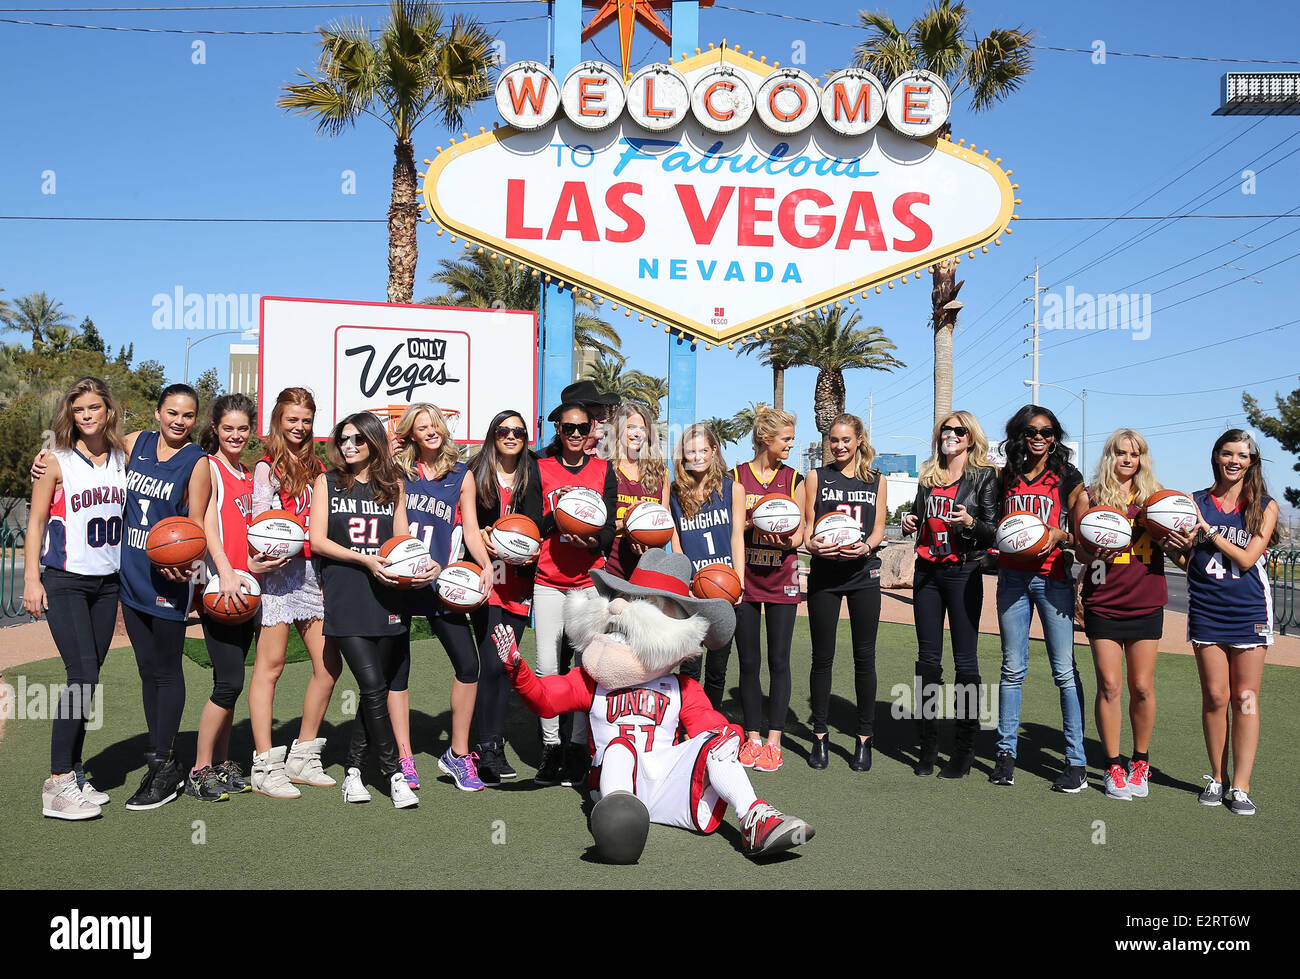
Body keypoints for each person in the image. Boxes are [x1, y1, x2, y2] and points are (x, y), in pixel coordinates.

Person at [309, 413, 435, 809]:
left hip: (387, 598)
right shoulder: (327, 481)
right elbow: (317, 541)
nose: (348, 446)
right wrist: (364, 560)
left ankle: (352, 772)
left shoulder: (392, 484)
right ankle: (395, 772)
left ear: (374, 442)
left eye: (357, 440)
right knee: (372, 686)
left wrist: (424, 564)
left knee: (374, 690)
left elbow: (401, 540)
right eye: (343, 439)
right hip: (347, 597)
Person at [26, 377, 127, 820]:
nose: (87, 416)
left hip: (108, 583)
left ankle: (76, 770)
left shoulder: (125, 455)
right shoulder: (54, 460)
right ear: (72, 415)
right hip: (65, 578)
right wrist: (32, 579)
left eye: (94, 408)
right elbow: (34, 524)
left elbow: (165, 436)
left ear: (108, 411)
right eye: (79, 410)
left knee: (90, 676)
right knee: (81, 672)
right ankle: (57, 781)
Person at [119, 384, 212, 809]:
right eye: (172, 412)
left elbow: (195, 524)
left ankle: (164, 762)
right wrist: (49, 458)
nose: (179, 420)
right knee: (145, 669)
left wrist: (185, 563)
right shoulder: (135, 443)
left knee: (166, 668)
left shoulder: (197, 462)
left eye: (188, 415)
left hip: (169, 578)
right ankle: (161, 756)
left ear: (196, 420)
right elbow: (90, 451)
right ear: (157, 413)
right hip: (131, 573)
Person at [190, 394, 287, 802]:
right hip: (220, 587)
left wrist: (259, 563)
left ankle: (225, 762)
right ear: (215, 428)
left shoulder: (249, 473)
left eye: (242, 428)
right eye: (227, 427)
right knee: (227, 681)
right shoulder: (208, 467)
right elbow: (207, 524)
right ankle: (198, 769)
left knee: (233, 679)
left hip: (247, 588)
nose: (235, 434)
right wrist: (227, 570)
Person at [392, 403, 492, 792]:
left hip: (441, 583)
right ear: (411, 434)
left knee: (469, 665)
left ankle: (458, 753)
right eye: (421, 427)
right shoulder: (400, 471)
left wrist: (483, 563)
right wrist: (411, 561)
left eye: (434, 424)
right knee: (397, 673)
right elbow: (399, 521)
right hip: (403, 580)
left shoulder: (460, 474)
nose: (430, 431)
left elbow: (470, 529)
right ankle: (404, 756)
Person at [248, 388, 341, 798]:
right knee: (272, 666)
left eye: (305, 420)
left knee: (328, 665)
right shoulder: (266, 468)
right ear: (277, 421)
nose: (299, 427)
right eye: (292, 420)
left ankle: (302, 755)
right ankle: (265, 765)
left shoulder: (320, 468)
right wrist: (266, 552)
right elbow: (258, 522)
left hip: (310, 573)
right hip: (277, 575)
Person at [1180, 429, 1278, 816]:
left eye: (1242, 455)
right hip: (1206, 609)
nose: (1234, 461)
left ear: (1251, 462)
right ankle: (1217, 777)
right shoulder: (1194, 501)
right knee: (1216, 697)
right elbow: (1189, 560)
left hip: (1249, 611)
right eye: (1227, 453)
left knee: (1246, 699)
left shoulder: (1263, 505)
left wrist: (1209, 531)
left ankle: (1241, 786)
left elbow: (1248, 558)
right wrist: (1179, 544)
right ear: (1216, 457)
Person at [990, 405, 1087, 791]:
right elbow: (994, 522)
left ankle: (1076, 760)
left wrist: (1057, 535)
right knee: (1012, 669)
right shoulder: (1006, 475)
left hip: (1053, 580)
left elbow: (1080, 538)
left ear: (1055, 436)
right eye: (1032, 431)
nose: (1039, 438)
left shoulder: (1067, 476)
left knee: (1063, 671)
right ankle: (1005, 754)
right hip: (1012, 579)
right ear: (1019, 434)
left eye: (1047, 432)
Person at [1071, 429, 1172, 801]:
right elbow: (1080, 552)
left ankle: (1140, 761)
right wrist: (1096, 553)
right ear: (1109, 456)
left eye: (1135, 453)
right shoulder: (1090, 496)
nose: (1127, 459)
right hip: (1105, 601)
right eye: (1120, 452)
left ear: (1143, 458)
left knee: (1142, 687)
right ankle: (1113, 765)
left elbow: (1179, 541)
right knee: (1110, 685)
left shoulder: (1158, 498)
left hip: (1146, 600)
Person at [900, 410, 999, 778]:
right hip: (927, 571)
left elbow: (993, 531)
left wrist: (971, 524)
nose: (951, 435)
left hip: (964, 571)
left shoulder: (984, 476)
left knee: (965, 662)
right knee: (927, 660)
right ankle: (927, 745)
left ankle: (964, 749)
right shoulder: (929, 475)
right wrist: (912, 522)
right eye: (946, 430)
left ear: (971, 438)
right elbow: (917, 516)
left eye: (959, 431)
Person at [533, 401, 618, 787]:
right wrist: (562, 516)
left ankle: (580, 748)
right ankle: (551, 747)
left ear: (590, 431)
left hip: (588, 582)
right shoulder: (539, 466)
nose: (576, 434)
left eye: (582, 428)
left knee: (587, 669)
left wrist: (589, 540)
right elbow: (533, 523)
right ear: (558, 429)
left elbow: (608, 532)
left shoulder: (603, 469)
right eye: (568, 428)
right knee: (549, 669)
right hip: (548, 580)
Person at [801, 414, 886, 773]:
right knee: (823, 658)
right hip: (825, 575)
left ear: (859, 440)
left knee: (864, 658)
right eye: (834, 440)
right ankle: (820, 735)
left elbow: (879, 529)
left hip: (863, 573)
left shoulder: (876, 480)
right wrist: (814, 547)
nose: (839, 446)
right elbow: (806, 529)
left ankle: (863, 739)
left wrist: (865, 547)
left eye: (846, 439)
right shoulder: (816, 477)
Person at [463, 409, 543, 786]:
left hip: (519, 579)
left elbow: (536, 526)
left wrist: (531, 548)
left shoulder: (532, 472)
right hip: (488, 575)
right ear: (492, 434)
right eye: (503, 430)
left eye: (518, 431)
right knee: (492, 662)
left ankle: (493, 742)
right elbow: (466, 523)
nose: (511, 436)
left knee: (508, 662)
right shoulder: (476, 469)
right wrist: (482, 538)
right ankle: (487, 747)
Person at [731, 406, 803, 773]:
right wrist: (748, 527)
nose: (792, 444)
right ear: (765, 439)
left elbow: (801, 534)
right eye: (786, 438)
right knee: (748, 661)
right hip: (747, 579)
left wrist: (786, 537)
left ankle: (773, 742)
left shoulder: (795, 479)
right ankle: (752, 736)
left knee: (778, 661)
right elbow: (732, 533)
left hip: (782, 578)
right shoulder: (736, 477)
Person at [669, 423, 745, 710]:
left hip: (724, 589)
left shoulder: (732, 488)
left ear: (714, 451)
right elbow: (675, 542)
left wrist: (739, 580)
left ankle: (709, 724)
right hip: (692, 590)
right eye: (691, 452)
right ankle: (685, 723)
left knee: (717, 668)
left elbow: (738, 536)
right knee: (689, 667)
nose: (698, 456)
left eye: (703, 450)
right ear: (683, 456)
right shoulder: (675, 493)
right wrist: (683, 581)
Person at [603, 402, 670, 581]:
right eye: (630, 427)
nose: (637, 433)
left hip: (648, 566)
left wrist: (651, 536)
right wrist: (631, 524)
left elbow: (665, 526)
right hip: (611, 564)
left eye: (642, 428)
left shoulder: (660, 472)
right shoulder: (604, 468)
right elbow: (598, 525)